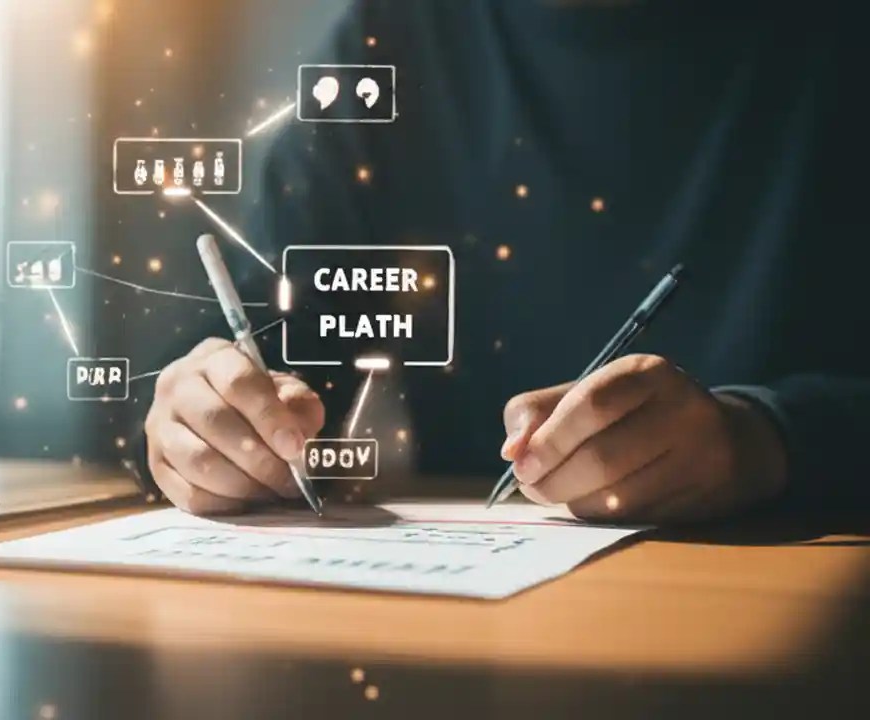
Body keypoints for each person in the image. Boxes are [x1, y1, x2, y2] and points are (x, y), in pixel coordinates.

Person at [138, 0, 870, 522]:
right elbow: (246, 339)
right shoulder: (393, 38)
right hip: (463, 613)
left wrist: (765, 439)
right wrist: (206, 415)